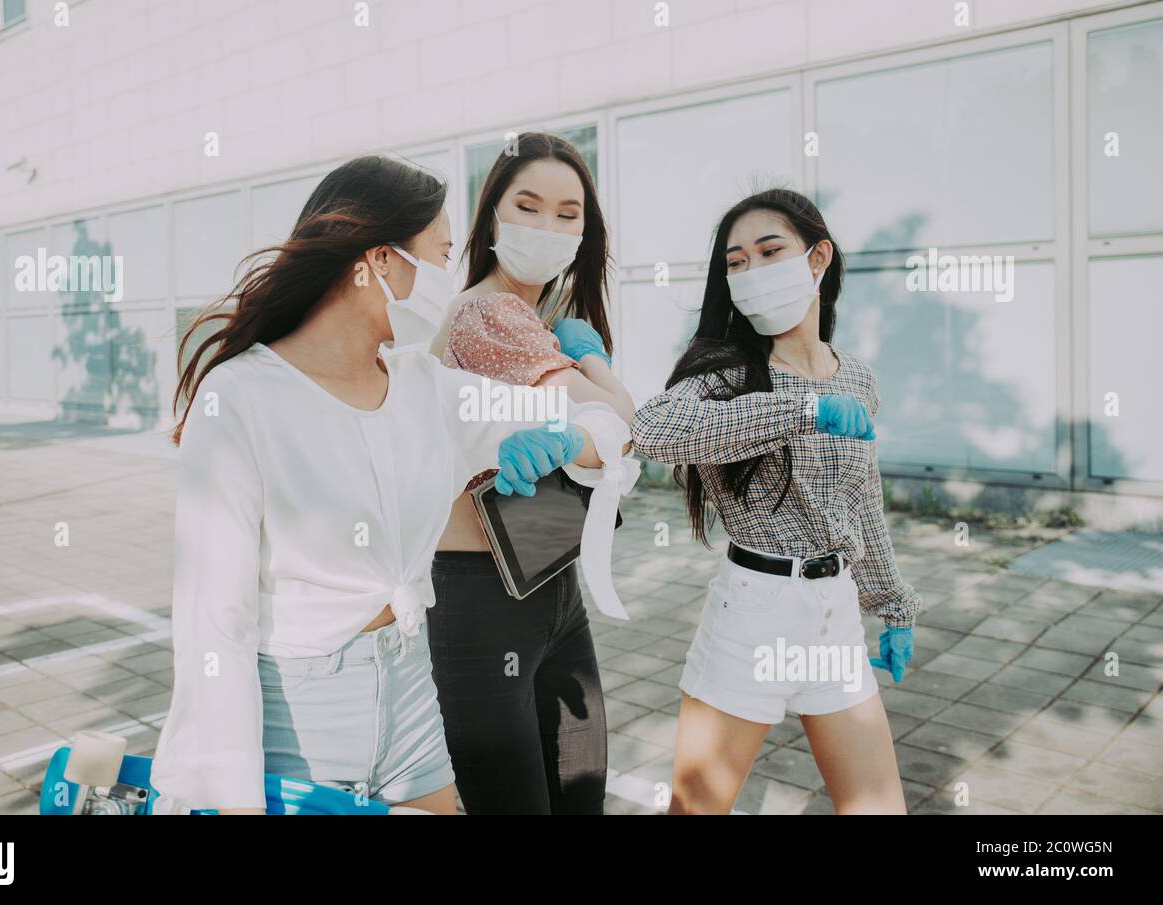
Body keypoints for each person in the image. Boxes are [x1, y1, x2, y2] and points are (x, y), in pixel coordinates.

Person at [148, 155, 630, 814]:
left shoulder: (422, 387)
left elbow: (608, 425)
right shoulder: (238, 398)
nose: (451, 278)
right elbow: (215, 627)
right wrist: (233, 797)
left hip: (408, 689)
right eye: (439, 253)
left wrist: (575, 439)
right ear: (377, 260)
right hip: (301, 711)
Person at [631, 187, 921, 815]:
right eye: (736, 263)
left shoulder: (857, 378)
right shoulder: (725, 371)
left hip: (834, 613)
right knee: (698, 811)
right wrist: (803, 411)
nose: (751, 273)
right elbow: (654, 429)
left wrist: (892, 602)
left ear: (818, 259)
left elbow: (862, 504)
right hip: (753, 615)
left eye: (770, 252)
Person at [428, 133, 637, 814]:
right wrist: (595, 361)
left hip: (547, 587)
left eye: (567, 213)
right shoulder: (489, 312)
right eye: (528, 206)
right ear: (492, 217)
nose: (548, 227)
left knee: (576, 799)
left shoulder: (531, 318)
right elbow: (625, 426)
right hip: (482, 607)